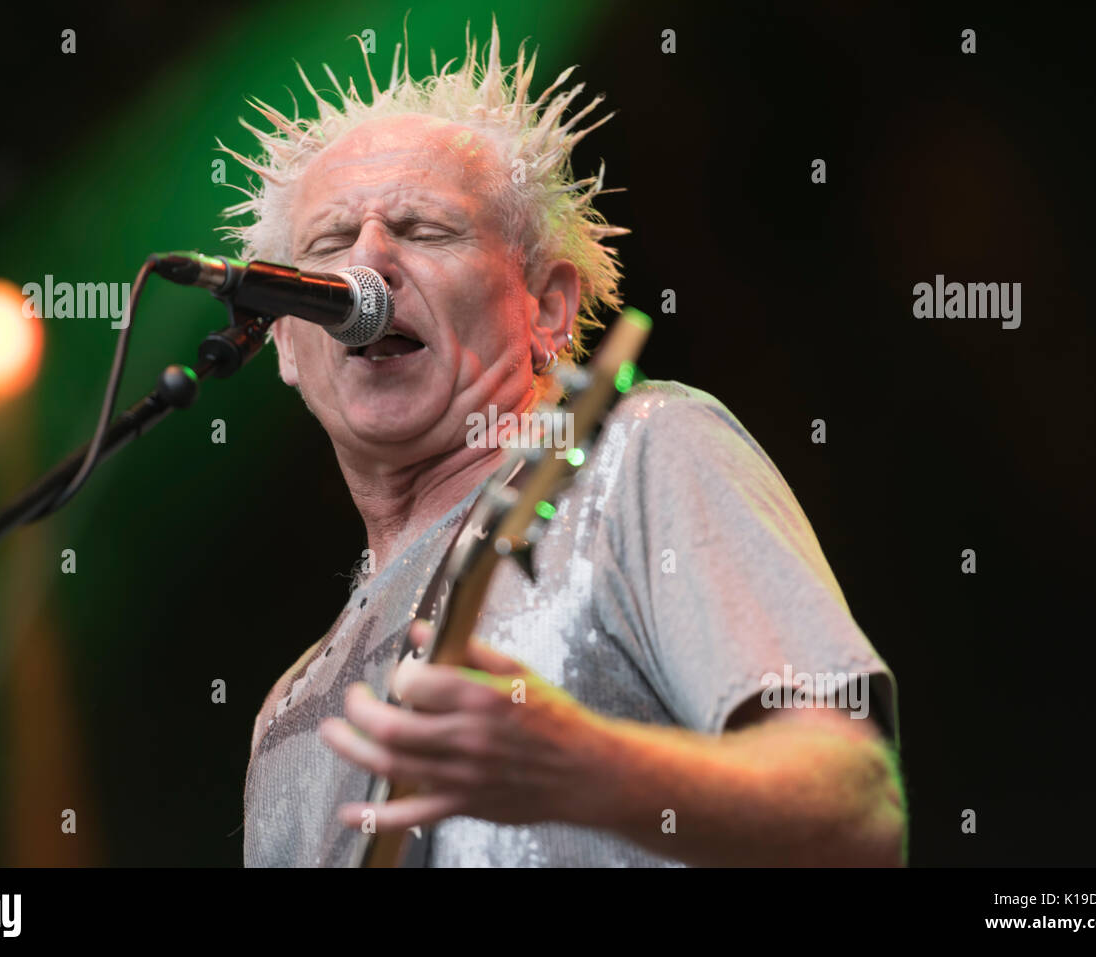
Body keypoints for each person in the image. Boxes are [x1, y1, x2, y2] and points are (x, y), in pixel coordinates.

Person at [225, 20, 905, 867]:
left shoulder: (642, 452)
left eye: (424, 229)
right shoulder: (288, 707)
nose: (366, 266)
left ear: (545, 307)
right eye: (328, 245)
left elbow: (858, 810)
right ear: (287, 343)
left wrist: (585, 770)